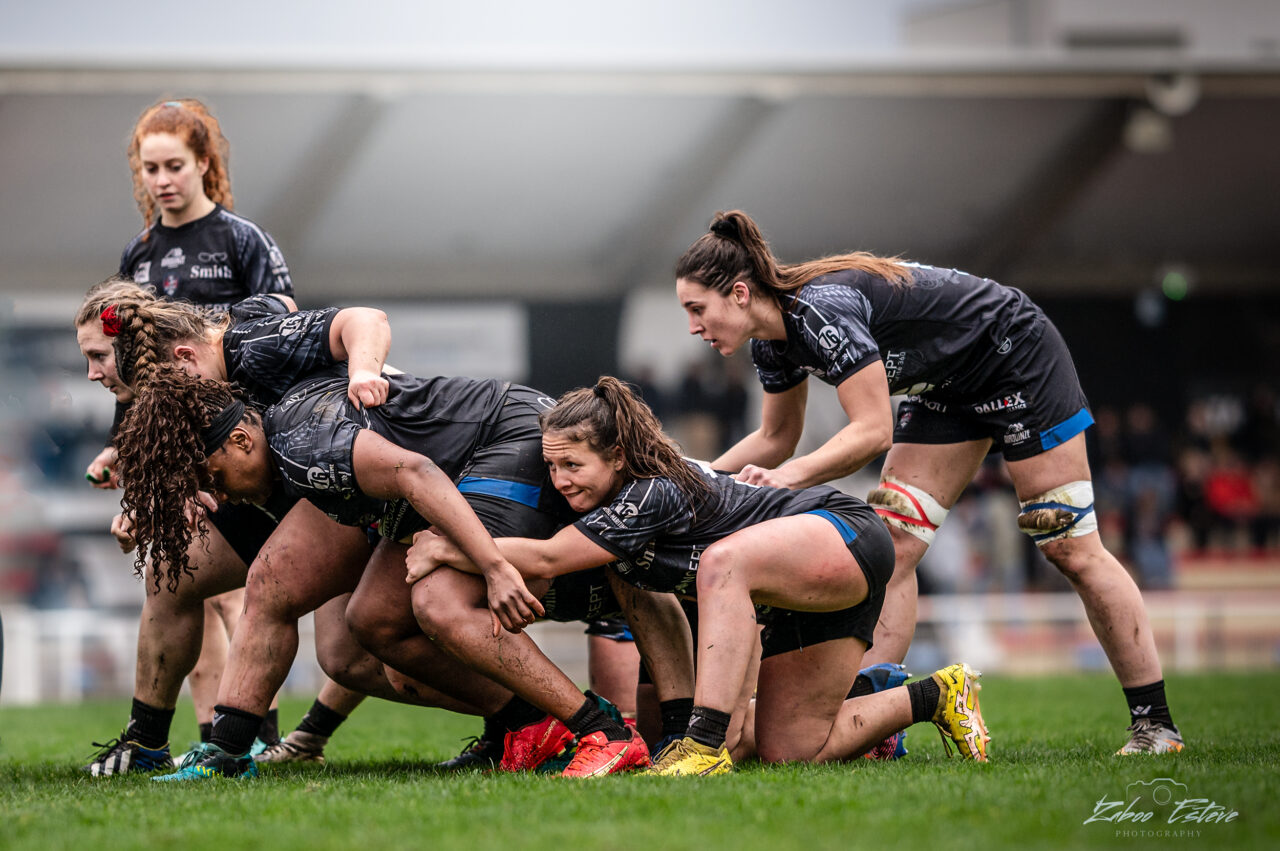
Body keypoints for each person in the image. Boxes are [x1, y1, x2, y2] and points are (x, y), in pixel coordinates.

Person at [672, 209, 1182, 755]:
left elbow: (872, 432)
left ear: (741, 294)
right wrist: (690, 481)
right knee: (892, 546)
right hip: (949, 387)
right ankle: (867, 721)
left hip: (1017, 356)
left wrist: (786, 477)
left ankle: (1156, 725)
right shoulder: (772, 342)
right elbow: (776, 437)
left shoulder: (820, 312)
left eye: (698, 309)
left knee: (1069, 548)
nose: (694, 326)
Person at [407, 377, 989, 774]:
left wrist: (447, 546)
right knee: (788, 750)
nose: (559, 479)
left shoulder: (649, 492)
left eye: (572, 464)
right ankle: (931, 695)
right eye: (551, 464)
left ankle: (702, 748)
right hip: (797, 593)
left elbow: (551, 558)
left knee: (722, 561)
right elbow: (649, 608)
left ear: (616, 456)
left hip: (844, 533)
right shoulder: (620, 521)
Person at [116, 365, 670, 780]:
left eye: (213, 476)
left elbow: (417, 469)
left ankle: (604, 730)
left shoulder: (305, 444)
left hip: (506, 438)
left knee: (439, 605)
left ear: (241, 440)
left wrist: (494, 567)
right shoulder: (282, 447)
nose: (217, 493)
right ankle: (526, 726)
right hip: (453, 473)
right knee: (369, 627)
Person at [75, 279, 382, 774]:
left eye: (97, 355)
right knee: (172, 575)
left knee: (349, 653)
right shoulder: (168, 382)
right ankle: (147, 744)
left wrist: (363, 373)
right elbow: (277, 301)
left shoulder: (241, 347)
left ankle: (514, 718)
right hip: (283, 493)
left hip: (346, 488)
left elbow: (363, 318)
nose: (92, 373)